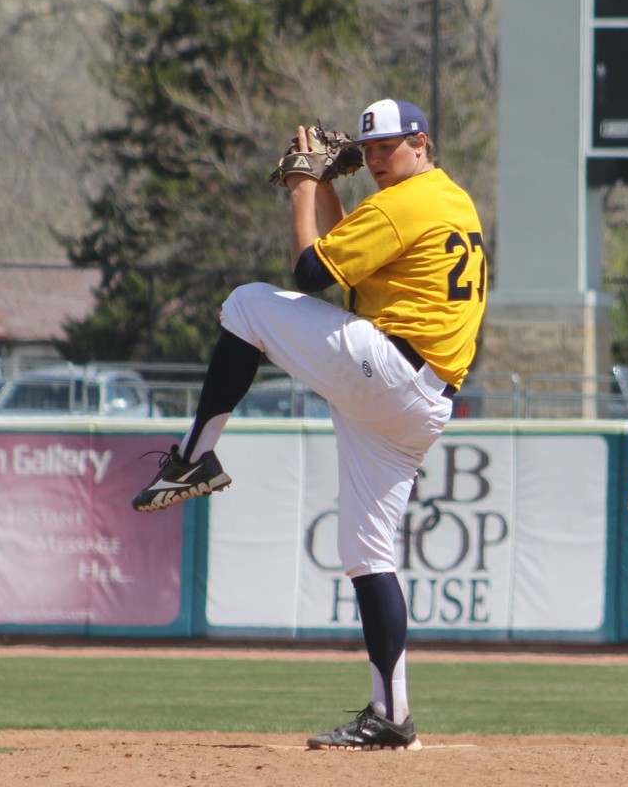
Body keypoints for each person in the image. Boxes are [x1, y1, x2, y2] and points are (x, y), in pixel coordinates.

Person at [132, 98, 487, 751]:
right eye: (370, 149)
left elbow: (308, 270)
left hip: (394, 371)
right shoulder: (448, 200)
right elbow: (347, 261)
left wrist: (301, 188)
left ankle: (193, 458)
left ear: (423, 144)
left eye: (391, 147)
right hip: (421, 402)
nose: (378, 159)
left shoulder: (401, 204)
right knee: (368, 554)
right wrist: (323, 184)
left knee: (246, 305)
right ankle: (391, 715)